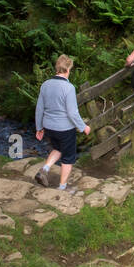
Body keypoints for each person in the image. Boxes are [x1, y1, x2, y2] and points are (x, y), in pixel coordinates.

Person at [34, 54, 90, 192]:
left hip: (49, 126)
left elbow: (39, 108)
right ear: (68, 70)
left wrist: (39, 127)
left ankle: (45, 169)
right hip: (65, 128)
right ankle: (62, 187)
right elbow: (72, 112)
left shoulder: (45, 84)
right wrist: (83, 127)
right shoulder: (69, 88)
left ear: (57, 68)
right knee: (68, 157)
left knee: (58, 148)